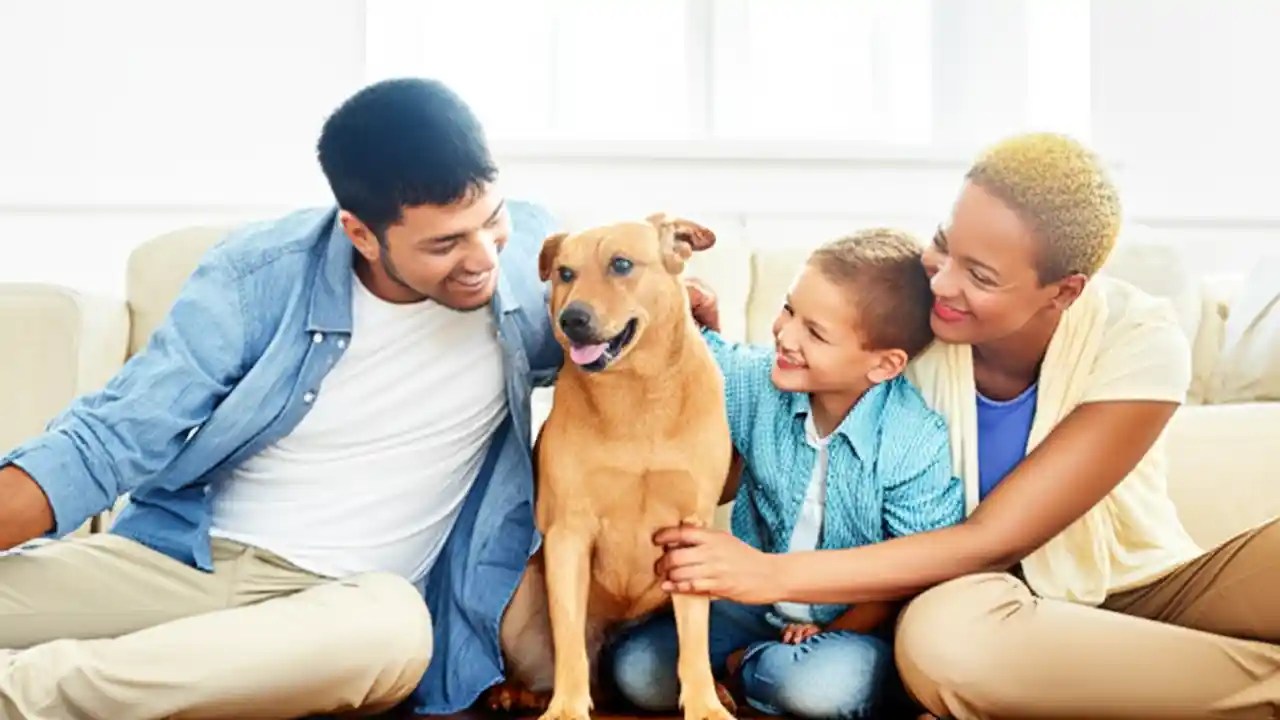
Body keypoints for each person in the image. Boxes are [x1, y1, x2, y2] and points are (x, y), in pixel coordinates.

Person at [0, 77, 715, 719]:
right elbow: (103, 442)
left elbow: (630, 326)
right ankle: (150, 669)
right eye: (443, 245)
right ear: (361, 233)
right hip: (186, 563)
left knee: (395, 636)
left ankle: (26, 693)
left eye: (489, 221)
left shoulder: (542, 268)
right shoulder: (257, 278)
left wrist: (682, 312)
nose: (482, 260)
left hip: (352, 607)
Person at [652, 132, 1280, 719]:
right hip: (983, 611)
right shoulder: (904, 334)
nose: (943, 282)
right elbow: (786, 408)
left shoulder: (1139, 338)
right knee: (941, 643)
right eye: (944, 244)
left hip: (1144, 594)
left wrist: (769, 575)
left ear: (1063, 291)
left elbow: (994, 538)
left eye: (980, 276)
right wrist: (694, 344)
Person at [610, 229, 965, 720]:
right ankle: (751, 671)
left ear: (884, 365)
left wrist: (836, 630)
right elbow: (689, 346)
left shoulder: (912, 439)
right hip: (751, 606)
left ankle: (742, 668)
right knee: (637, 669)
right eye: (789, 309)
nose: (786, 334)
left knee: (828, 686)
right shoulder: (760, 381)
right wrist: (671, 294)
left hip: (851, 625)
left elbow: (910, 569)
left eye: (815, 333)